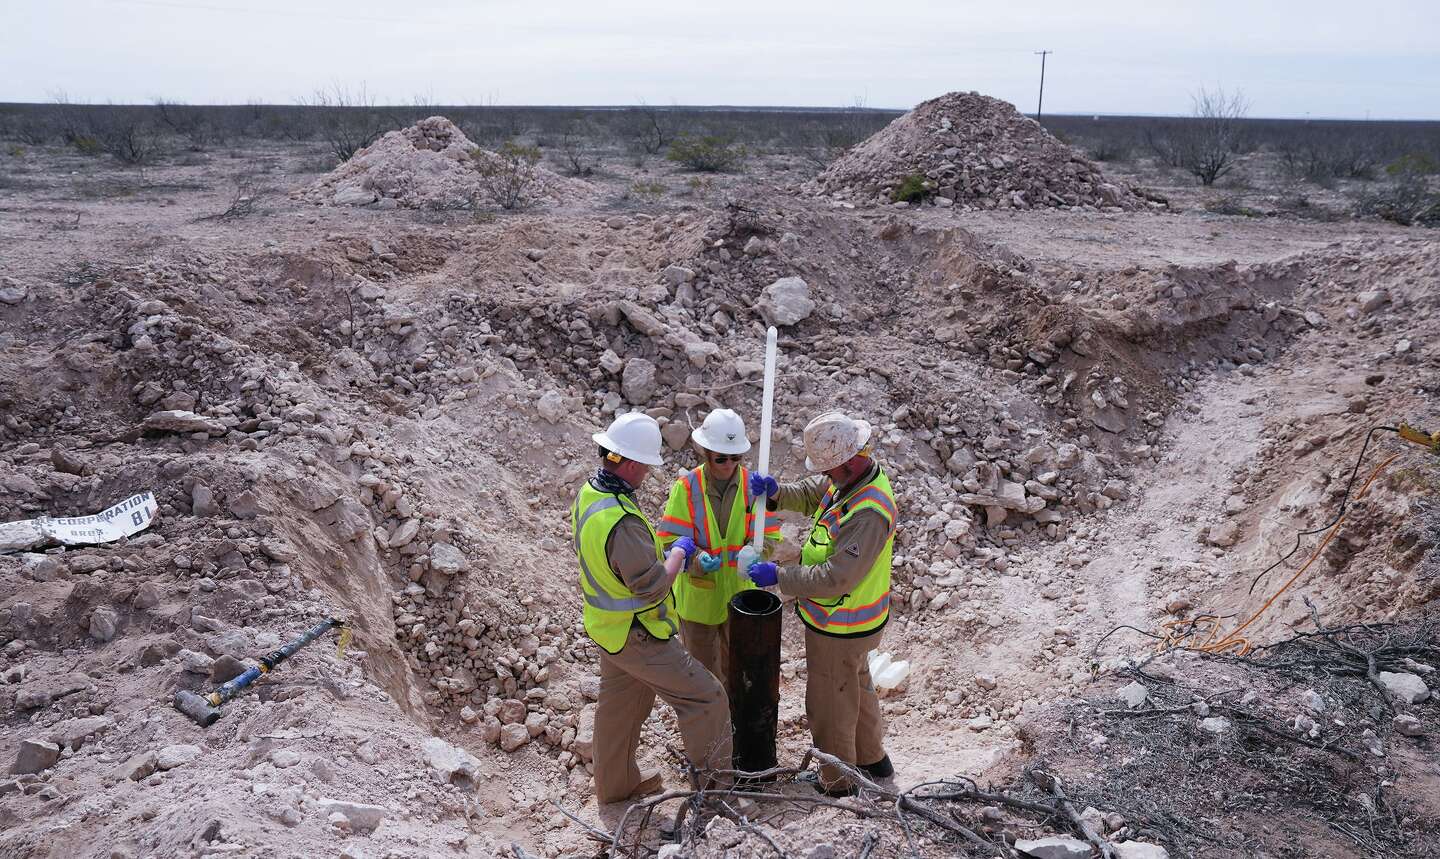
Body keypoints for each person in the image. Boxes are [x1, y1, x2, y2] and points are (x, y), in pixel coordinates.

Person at [572, 412, 734, 804]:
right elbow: (652, 587)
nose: (646, 472)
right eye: (644, 465)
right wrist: (679, 552)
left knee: (622, 708)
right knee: (705, 697)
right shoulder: (623, 521)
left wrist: (667, 554)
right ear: (627, 463)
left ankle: (616, 788)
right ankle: (716, 794)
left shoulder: (591, 495)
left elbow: (622, 564)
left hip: (608, 629)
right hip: (639, 632)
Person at [745, 411, 897, 797]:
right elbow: (815, 492)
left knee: (829, 703)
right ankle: (872, 759)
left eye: (830, 471)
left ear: (846, 462)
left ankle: (838, 782)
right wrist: (778, 492)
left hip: (840, 623)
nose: (826, 478)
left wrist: (779, 577)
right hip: (851, 621)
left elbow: (835, 578)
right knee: (856, 688)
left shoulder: (867, 512)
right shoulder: (852, 480)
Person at [657, 409, 781, 693]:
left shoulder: (754, 487)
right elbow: (668, 540)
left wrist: (756, 551)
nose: (728, 465)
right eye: (721, 458)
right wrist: (697, 558)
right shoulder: (687, 488)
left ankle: (735, 728)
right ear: (706, 452)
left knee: (739, 674)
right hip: (699, 600)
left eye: (735, 458)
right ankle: (712, 733)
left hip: (741, 597)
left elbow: (771, 535)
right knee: (702, 678)